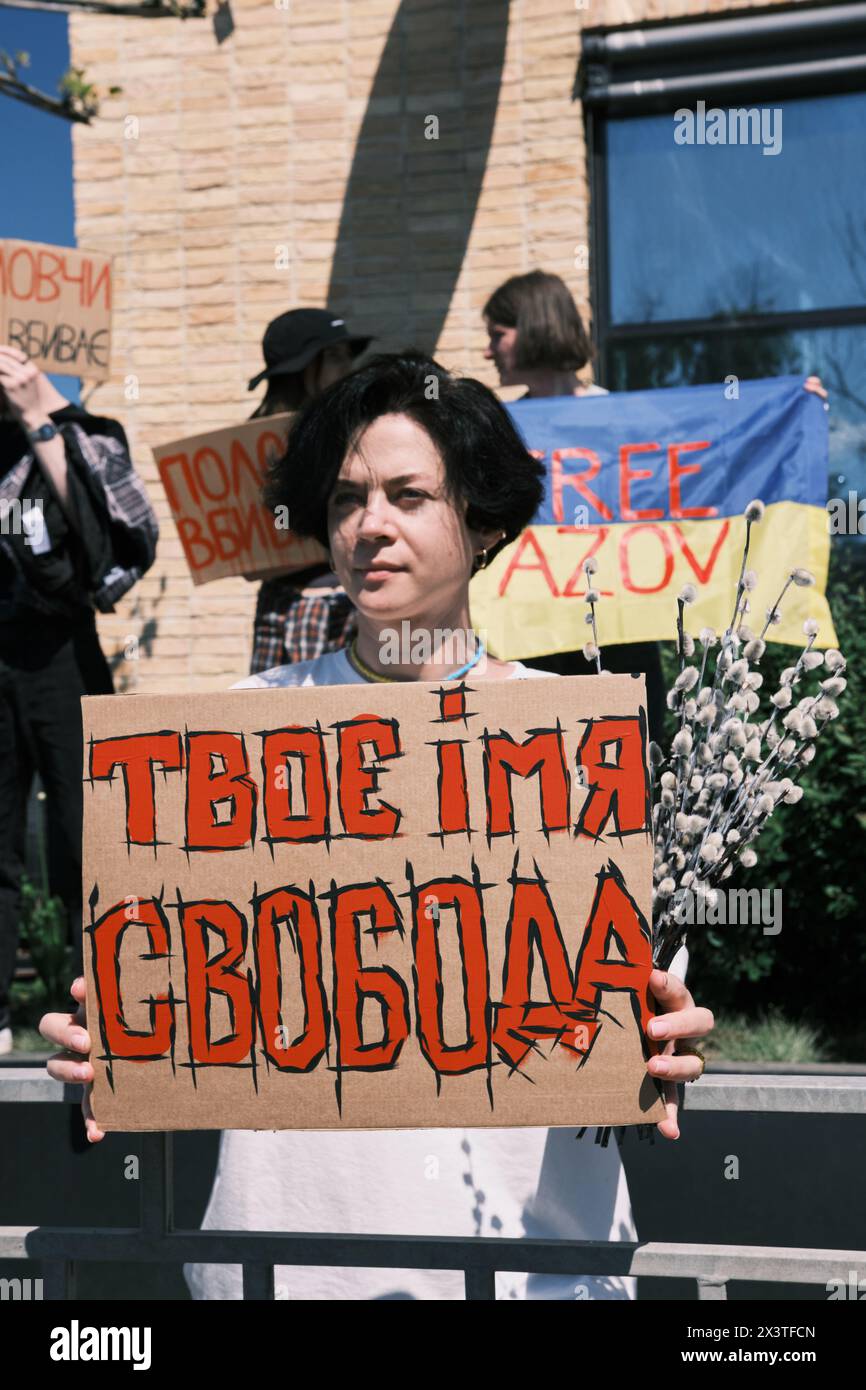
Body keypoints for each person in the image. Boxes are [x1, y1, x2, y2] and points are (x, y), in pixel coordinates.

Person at [41, 353, 713, 1300]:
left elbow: (642, 1008)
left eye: (408, 494)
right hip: (283, 1273)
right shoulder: (228, 737)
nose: (370, 525)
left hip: (537, 1277)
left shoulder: (577, 739)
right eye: (348, 498)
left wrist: (668, 1043)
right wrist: (116, 1034)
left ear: (482, 523)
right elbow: (184, 988)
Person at [0, 345, 158, 1055]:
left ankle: (104, 1010)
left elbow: (108, 554)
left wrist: (41, 419)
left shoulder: (92, 432)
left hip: (62, 654)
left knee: (86, 832)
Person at [482, 270, 668, 739]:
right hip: (531, 643)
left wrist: (790, 410)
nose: (488, 351)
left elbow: (711, 465)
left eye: (496, 335)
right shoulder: (496, 431)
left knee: (630, 785)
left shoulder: (623, 422)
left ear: (534, 328)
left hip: (620, 640)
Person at [245, 308, 371, 673]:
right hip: (281, 602)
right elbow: (245, 547)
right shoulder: (249, 449)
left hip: (345, 598)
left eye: (349, 354)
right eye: (333, 356)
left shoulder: (364, 431)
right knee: (273, 718)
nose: (348, 366)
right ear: (300, 370)